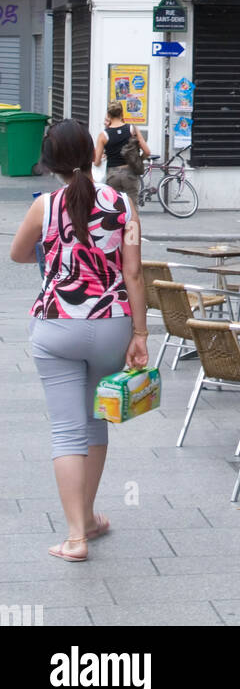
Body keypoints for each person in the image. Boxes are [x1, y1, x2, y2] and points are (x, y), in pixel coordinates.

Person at [10, 119, 148, 562]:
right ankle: (88, 517)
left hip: (56, 325)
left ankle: (75, 537)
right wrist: (141, 333)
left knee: (66, 431)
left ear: (50, 163)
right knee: (94, 422)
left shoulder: (44, 206)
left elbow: (16, 253)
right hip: (112, 323)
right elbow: (133, 272)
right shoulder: (122, 204)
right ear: (92, 154)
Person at [94, 100, 151, 205]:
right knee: (133, 208)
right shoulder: (132, 129)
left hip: (112, 174)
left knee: (115, 208)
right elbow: (147, 151)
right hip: (130, 172)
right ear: (121, 113)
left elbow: (97, 162)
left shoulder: (103, 135)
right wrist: (139, 159)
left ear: (108, 115)